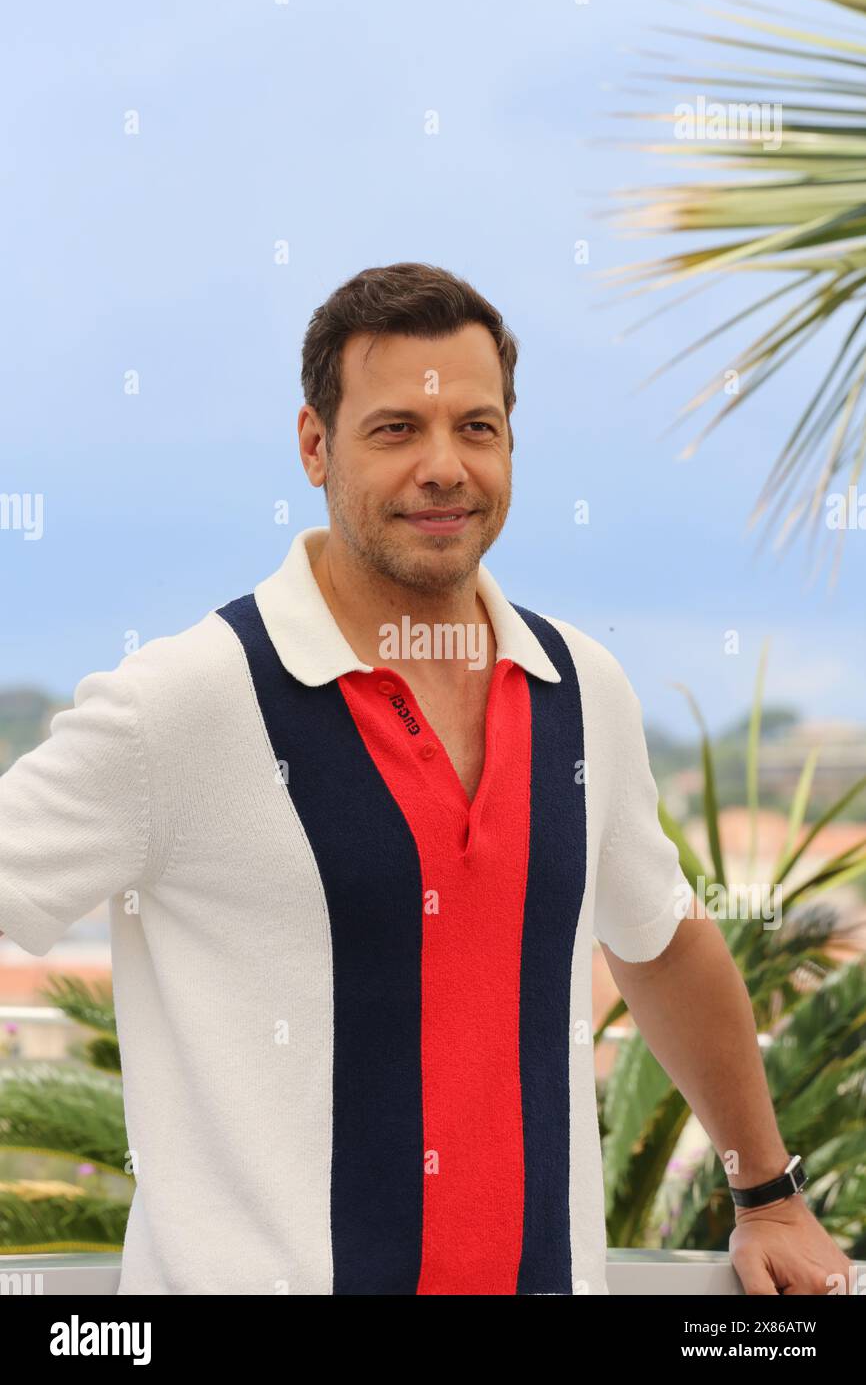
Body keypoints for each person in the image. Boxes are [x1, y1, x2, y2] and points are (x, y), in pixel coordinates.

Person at [0, 262, 852, 1295]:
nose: (443, 467)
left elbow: (662, 941)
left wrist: (764, 1194)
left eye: (477, 429)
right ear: (314, 444)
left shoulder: (579, 687)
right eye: (396, 428)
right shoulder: (184, 701)